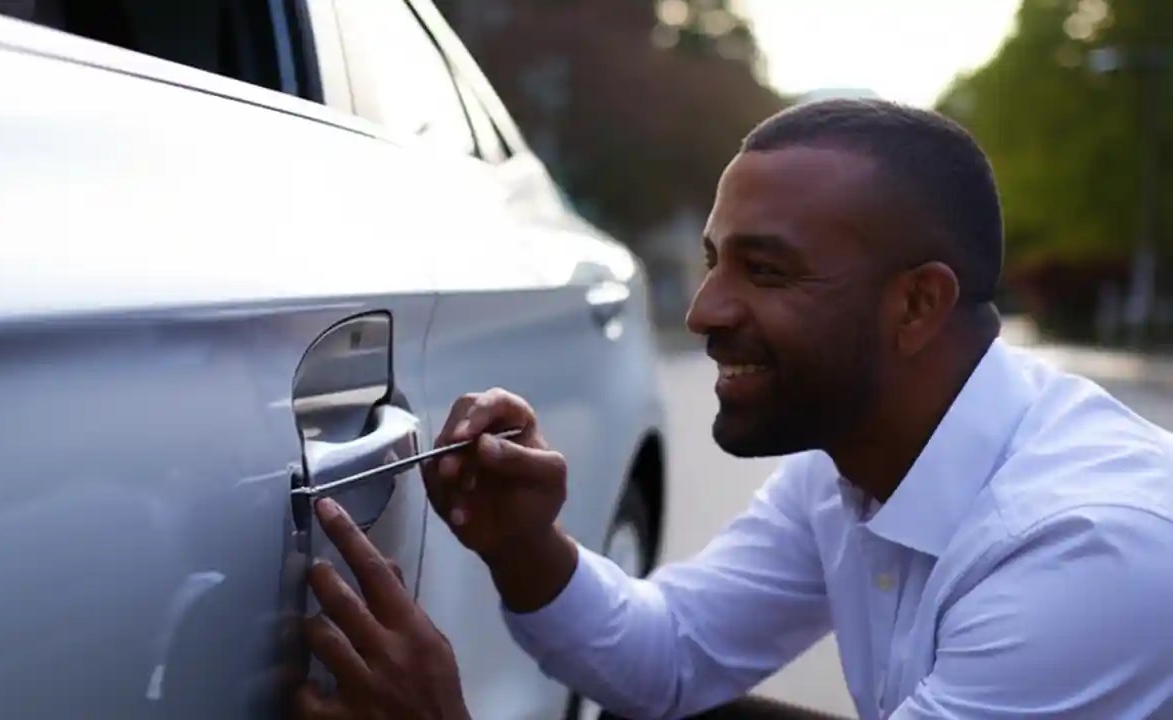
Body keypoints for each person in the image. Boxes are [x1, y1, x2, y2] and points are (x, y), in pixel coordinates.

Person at [290, 99, 1173, 720]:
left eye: (767, 270)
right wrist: (527, 547)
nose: (703, 310)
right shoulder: (851, 469)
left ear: (916, 305)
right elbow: (668, 657)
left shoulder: (1088, 549)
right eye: (714, 260)